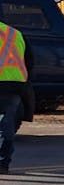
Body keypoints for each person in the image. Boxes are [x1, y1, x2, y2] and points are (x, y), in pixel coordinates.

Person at [0, 20, 32, 174]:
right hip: (15, 83)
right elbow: (29, 61)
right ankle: (3, 163)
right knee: (8, 124)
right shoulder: (14, 33)